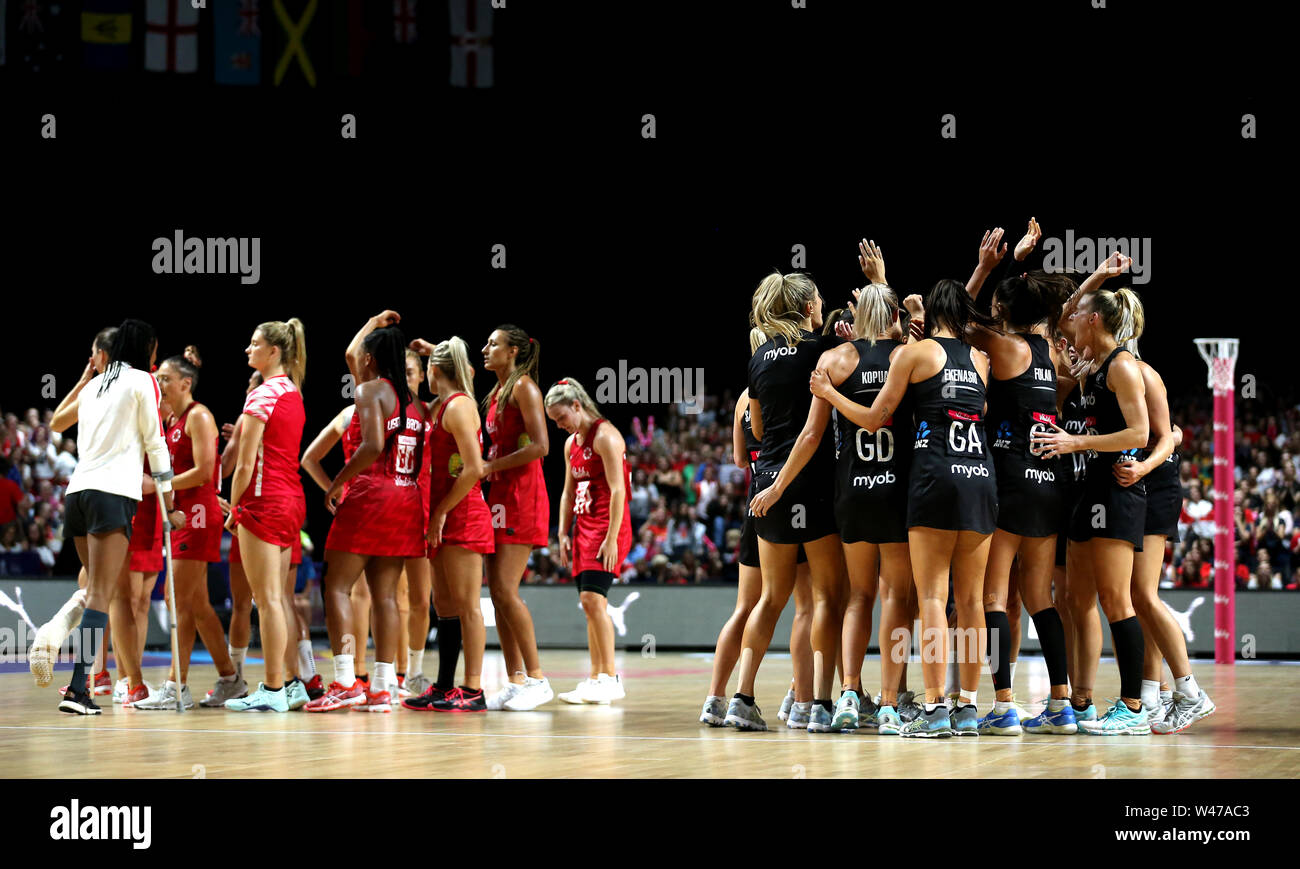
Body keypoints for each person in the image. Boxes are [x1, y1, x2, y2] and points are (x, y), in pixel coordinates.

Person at [814, 277, 1000, 738]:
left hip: (934, 477)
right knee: (973, 601)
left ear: (930, 314)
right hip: (980, 476)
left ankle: (935, 708)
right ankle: (968, 708)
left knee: (933, 597)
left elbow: (878, 416)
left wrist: (831, 394)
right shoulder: (982, 359)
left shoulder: (915, 354)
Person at [34, 320, 185, 715]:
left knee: (96, 591)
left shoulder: (93, 387)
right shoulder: (143, 382)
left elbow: (65, 429)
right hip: (112, 495)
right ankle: (79, 689)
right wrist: (170, 502)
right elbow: (155, 442)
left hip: (77, 494)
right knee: (103, 594)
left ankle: (61, 638)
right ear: (146, 348)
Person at [961, 222, 1076, 735]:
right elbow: (1030, 311)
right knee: (1039, 598)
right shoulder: (1052, 350)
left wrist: (987, 266)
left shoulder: (1006, 350)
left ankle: (1004, 704)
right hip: (1049, 481)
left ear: (1004, 313)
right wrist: (1015, 269)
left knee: (991, 600)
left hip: (1009, 480)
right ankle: (1061, 704)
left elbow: (954, 318)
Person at [1035, 260, 1153, 735]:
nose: (1070, 321)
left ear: (1095, 320)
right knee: (1076, 597)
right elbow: (1060, 315)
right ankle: (1080, 701)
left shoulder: (1122, 366)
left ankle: (1133, 706)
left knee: (1115, 599)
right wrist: (1099, 276)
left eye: (1081, 313)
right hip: (1086, 491)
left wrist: (1076, 442)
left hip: (1116, 492)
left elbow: (1141, 432)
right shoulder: (1089, 368)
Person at [729, 269, 846, 732]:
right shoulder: (824, 353)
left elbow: (757, 431)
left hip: (768, 483)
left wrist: (773, 481)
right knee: (826, 599)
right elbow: (816, 431)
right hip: (812, 483)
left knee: (771, 599)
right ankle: (818, 703)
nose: (822, 304)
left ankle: (742, 697)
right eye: (818, 299)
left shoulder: (758, 358)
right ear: (808, 308)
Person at [306, 313, 427, 713]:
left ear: (372, 358)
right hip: (406, 497)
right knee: (386, 596)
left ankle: (344, 681)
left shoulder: (370, 390)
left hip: (372, 493)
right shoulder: (414, 403)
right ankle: (381, 686)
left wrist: (339, 481)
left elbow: (373, 445)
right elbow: (351, 353)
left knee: (337, 587)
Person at [700, 332, 814, 729]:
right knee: (807, 606)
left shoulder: (743, 399)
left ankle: (716, 698)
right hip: (788, 493)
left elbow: (737, 456)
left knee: (746, 606)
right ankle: (800, 699)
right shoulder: (797, 383)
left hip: (755, 502)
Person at [133, 353, 244, 709]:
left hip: (197, 516)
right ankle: (230, 679)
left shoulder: (199, 416)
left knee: (176, 599)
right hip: (183, 515)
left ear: (186, 383)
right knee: (197, 605)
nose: (159, 384)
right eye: (158, 378)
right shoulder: (172, 419)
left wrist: (158, 484)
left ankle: (174, 687)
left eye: (166, 379)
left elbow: (204, 471)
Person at [1115, 344, 1216, 733]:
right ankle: (1152, 696)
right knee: (1141, 596)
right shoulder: (1116, 370)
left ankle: (1190, 692)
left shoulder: (1138, 371)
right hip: (1145, 484)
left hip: (1154, 485)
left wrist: (1141, 467)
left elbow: (1169, 437)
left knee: (1142, 595)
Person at [403, 337, 495, 712]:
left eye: (427, 367)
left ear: (434, 371)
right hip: (441, 513)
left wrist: (440, 511)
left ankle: (473, 689)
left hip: (463, 513)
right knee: (443, 605)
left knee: (468, 605)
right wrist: (432, 351)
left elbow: (474, 468)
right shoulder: (442, 405)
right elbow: (458, 358)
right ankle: (443, 686)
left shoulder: (459, 406)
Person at [223, 319, 309, 712]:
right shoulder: (293, 391)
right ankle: (290, 685)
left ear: (274, 351)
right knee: (280, 600)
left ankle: (273, 689)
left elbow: (243, 465)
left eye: (254, 343)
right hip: (292, 500)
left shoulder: (260, 396)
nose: (247, 349)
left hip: (264, 501)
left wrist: (233, 506)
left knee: (268, 600)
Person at [479, 326, 554, 711]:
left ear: (512, 351)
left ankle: (538, 679)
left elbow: (541, 446)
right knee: (496, 594)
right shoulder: (496, 393)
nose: (484, 349)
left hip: (523, 498)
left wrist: (489, 465)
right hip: (499, 498)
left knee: (506, 591)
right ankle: (515, 679)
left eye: (492, 344)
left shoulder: (525, 387)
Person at [546, 378, 632, 705]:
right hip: (582, 527)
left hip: (608, 527)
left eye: (561, 418)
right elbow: (568, 491)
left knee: (594, 600)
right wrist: (562, 532)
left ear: (577, 406)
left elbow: (619, 490)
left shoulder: (606, 437)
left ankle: (610, 677)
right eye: (554, 421)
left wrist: (611, 538)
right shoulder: (572, 444)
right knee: (589, 604)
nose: (559, 425)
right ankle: (596, 677)